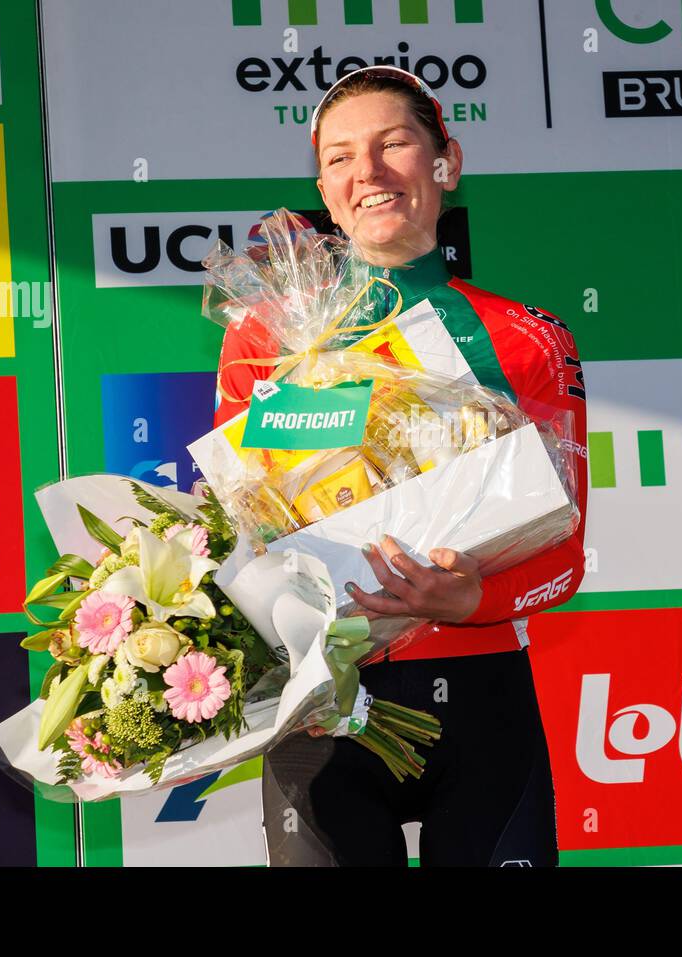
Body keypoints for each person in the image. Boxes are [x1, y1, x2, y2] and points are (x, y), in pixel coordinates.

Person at [212, 66, 589, 866]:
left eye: (394, 145)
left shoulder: (526, 336)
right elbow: (233, 534)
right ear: (323, 183)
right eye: (341, 157)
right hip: (319, 709)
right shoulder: (266, 338)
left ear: (445, 161)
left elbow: (565, 553)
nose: (369, 173)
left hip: (482, 700)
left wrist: (474, 595)